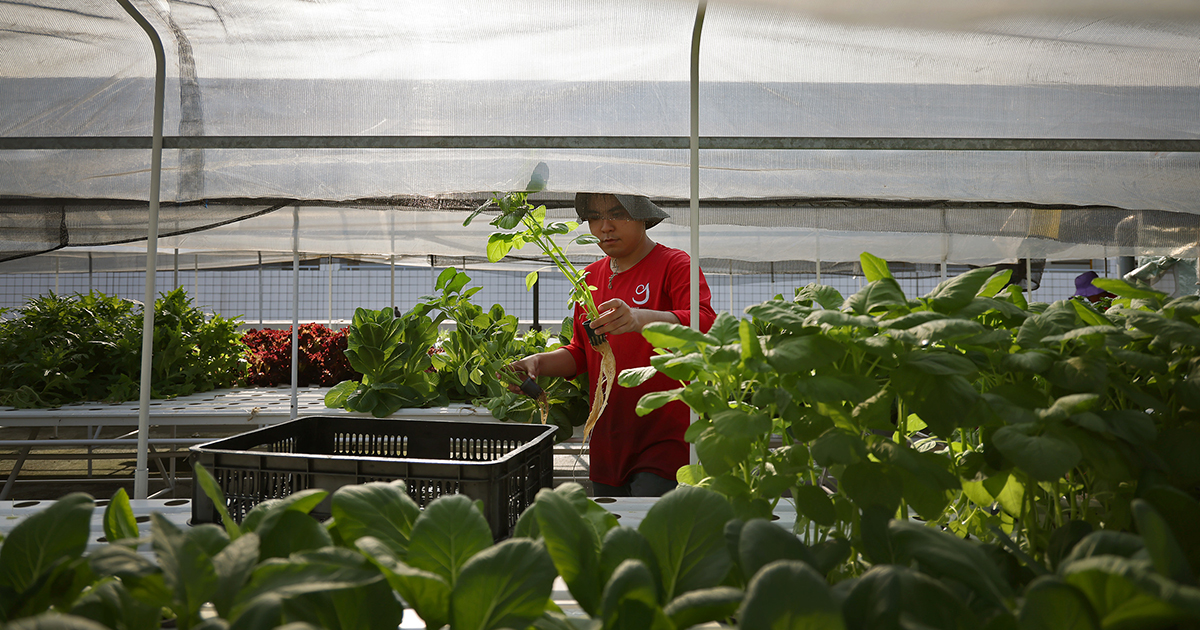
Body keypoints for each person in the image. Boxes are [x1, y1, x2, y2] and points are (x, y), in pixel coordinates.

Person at [506, 192, 716, 497]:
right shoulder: (589, 277)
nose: (605, 227)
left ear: (644, 216)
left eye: (618, 214)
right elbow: (581, 351)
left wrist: (639, 318)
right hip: (609, 439)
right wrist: (539, 362)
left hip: (664, 437)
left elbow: (705, 324)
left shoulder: (674, 264)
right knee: (613, 534)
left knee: (653, 532)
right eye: (594, 217)